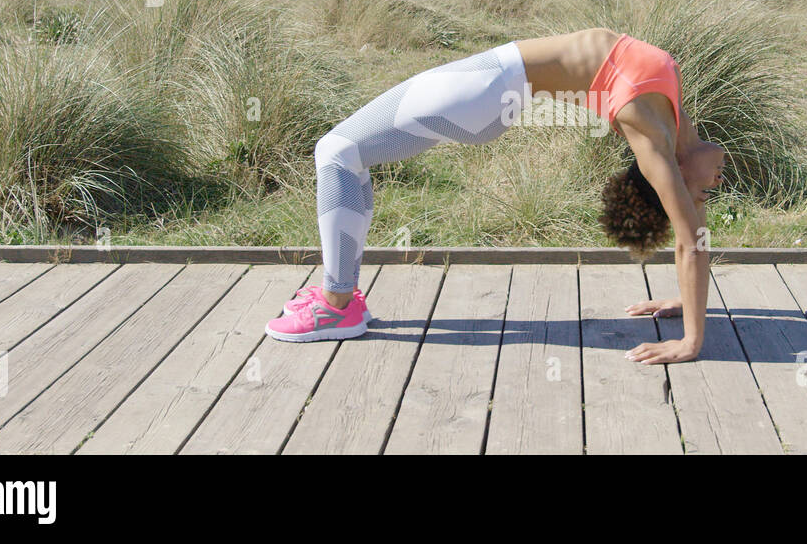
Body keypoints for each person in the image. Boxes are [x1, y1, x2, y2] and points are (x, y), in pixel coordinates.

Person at [265, 28, 726, 365]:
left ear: (674, 179)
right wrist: (689, 302)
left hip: (485, 90)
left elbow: (690, 238)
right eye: (706, 192)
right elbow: (691, 233)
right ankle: (341, 297)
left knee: (337, 151)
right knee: (346, 153)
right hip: (487, 86)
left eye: (702, 194)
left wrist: (690, 340)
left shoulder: (651, 132)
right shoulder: (671, 111)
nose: (715, 188)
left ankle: (336, 305)